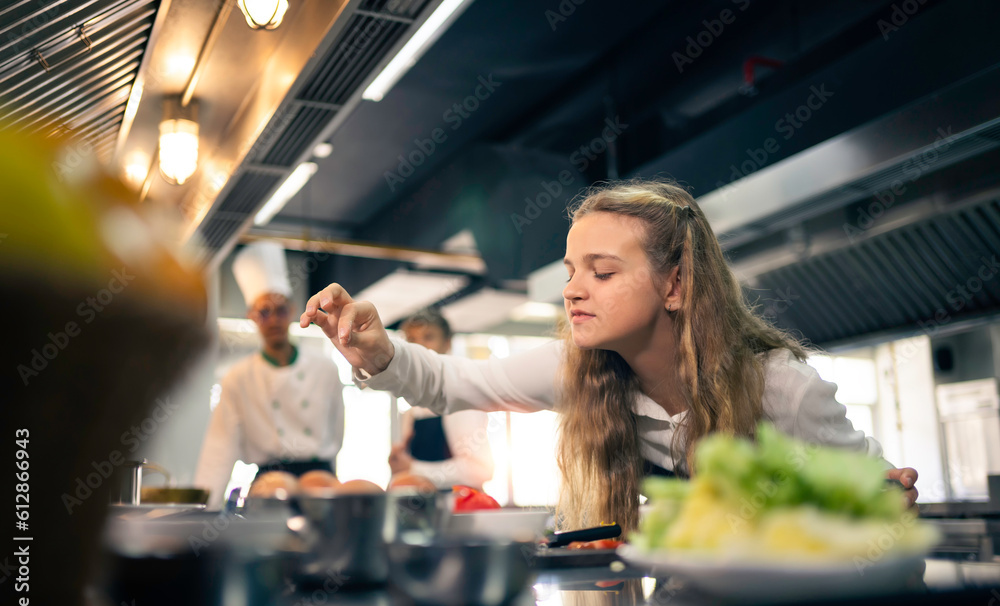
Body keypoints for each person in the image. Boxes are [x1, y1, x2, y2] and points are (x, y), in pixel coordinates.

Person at [298, 179, 919, 533]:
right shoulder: (580, 369)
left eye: (601, 272)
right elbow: (457, 382)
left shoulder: (782, 389)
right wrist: (377, 351)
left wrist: (882, 495)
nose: (572, 289)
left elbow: (876, 497)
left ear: (675, 285)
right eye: (572, 270)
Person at [195, 241, 345, 506]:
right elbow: (219, 450)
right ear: (251, 316)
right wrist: (202, 511)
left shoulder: (325, 368)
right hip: (268, 485)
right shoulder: (238, 378)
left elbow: (337, 431)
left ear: (291, 311)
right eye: (264, 312)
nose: (274, 319)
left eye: (280, 310)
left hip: (321, 482)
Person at [388, 308, 493, 490]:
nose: (418, 347)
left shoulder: (461, 396)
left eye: (428, 337)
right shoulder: (412, 405)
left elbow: (480, 470)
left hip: (459, 510)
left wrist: (414, 469)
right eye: (412, 339)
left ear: (447, 343)